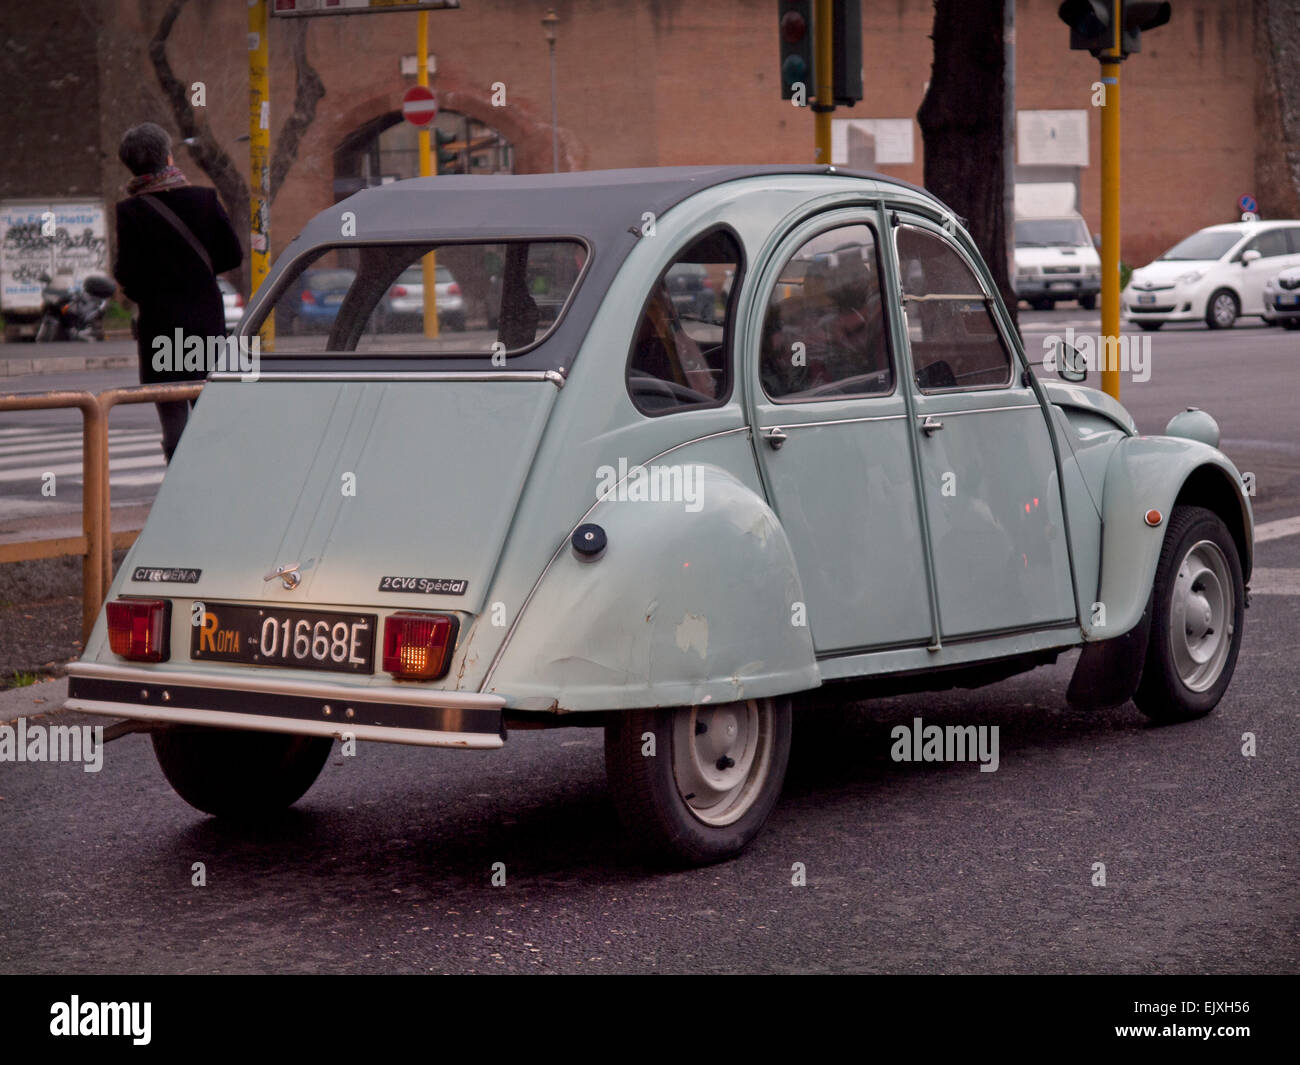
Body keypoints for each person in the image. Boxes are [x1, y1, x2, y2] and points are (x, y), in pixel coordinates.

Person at [112, 123, 242, 461]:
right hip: (204, 324)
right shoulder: (204, 199)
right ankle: (212, 480)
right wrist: (196, 277)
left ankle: (178, 486)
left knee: (173, 419)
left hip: (160, 327)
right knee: (208, 410)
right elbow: (233, 255)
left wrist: (157, 290)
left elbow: (127, 274)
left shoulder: (130, 212)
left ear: (131, 166)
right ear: (168, 157)